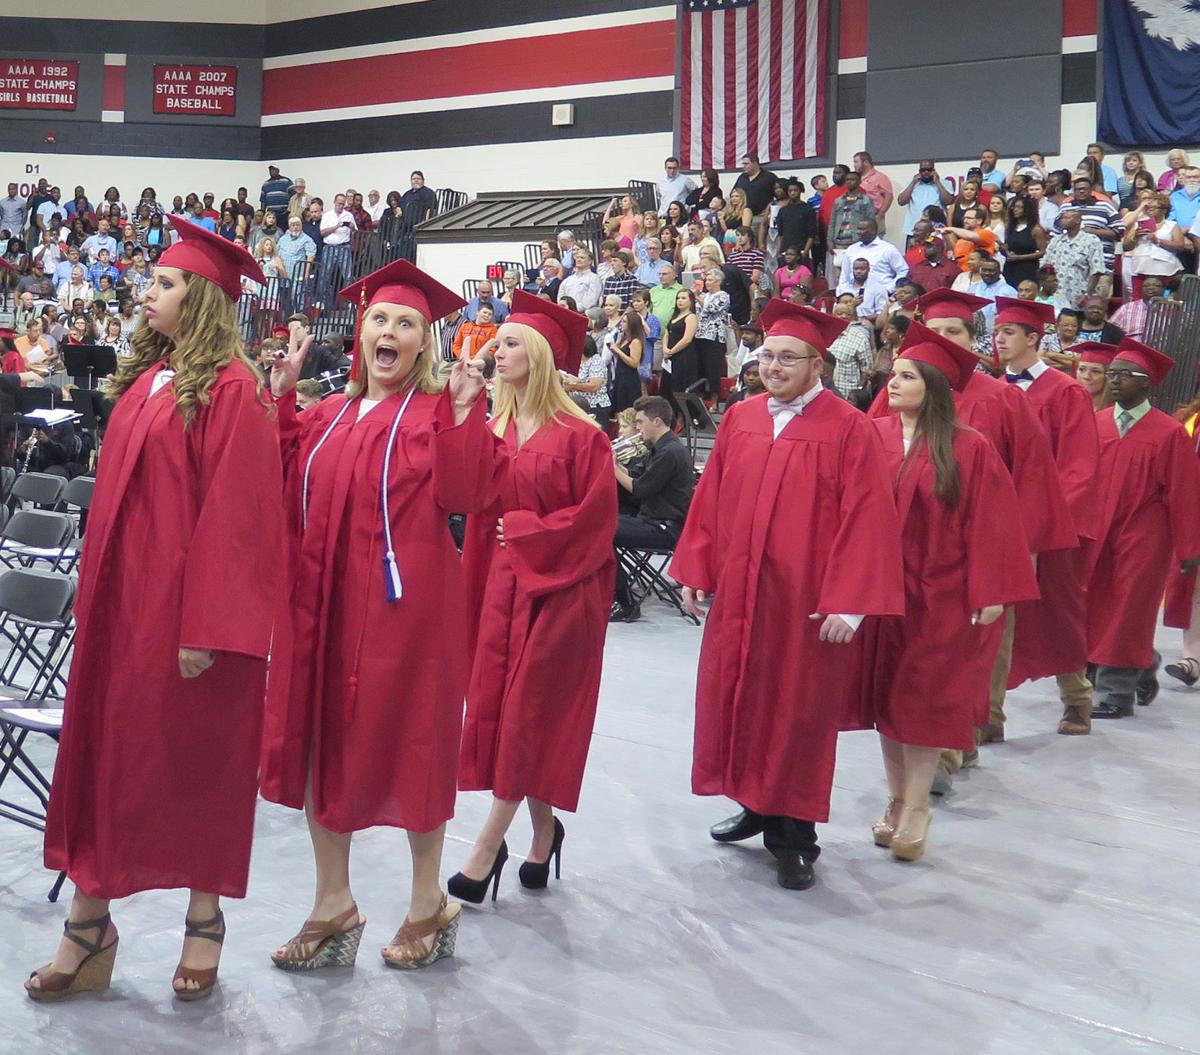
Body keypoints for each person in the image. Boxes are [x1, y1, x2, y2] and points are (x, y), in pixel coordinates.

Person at [30, 218, 284, 1002]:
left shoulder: (234, 388)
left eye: (166, 282)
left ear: (201, 298)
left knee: (193, 768)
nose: (149, 289)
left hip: (185, 623)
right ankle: (89, 922)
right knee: (109, 764)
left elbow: (239, 523)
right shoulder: (152, 380)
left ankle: (203, 921)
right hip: (121, 614)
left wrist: (207, 626)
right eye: (152, 280)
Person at [262, 258, 493, 973]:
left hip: (406, 620)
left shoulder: (433, 412)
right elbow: (277, 484)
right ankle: (334, 903)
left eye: (406, 324)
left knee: (410, 748)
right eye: (380, 321)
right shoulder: (327, 414)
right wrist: (281, 401)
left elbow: (466, 493)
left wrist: (462, 411)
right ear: (361, 335)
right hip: (322, 612)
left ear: (426, 342)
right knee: (319, 746)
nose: (389, 331)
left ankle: (429, 901)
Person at [671, 301, 905, 891]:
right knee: (743, 696)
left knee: (797, 712)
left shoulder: (849, 427)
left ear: (817, 363)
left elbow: (868, 517)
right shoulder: (743, 418)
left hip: (805, 602)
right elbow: (712, 501)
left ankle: (794, 835)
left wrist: (850, 604)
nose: (773, 367)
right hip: (745, 593)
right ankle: (756, 802)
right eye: (767, 355)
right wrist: (699, 569)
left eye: (787, 357)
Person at [439, 291, 615, 904]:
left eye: (511, 342)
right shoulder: (492, 429)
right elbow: (459, 493)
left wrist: (528, 531)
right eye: (497, 342)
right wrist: (462, 408)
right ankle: (544, 831)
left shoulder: (581, 436)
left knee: (527, 712)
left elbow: (595, 523)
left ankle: (486, 845)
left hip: (564, 591)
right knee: (513, 712)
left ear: (539, 356)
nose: (497, 350)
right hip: (500, 588)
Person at [852, 323, 1038, 860]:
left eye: (907, 376)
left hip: (941, 595)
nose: (893, 383)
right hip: (881, 593)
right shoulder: (873, 436)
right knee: (885, 699)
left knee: (923, 701)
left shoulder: (970, 449)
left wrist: (993, 590)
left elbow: (994, 526)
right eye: (893, 375)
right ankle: (893, 799)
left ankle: (917, 806)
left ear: (934, 386)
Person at [993, 297, 1099, 737]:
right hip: (997, 525)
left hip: (1047, 526)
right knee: (994, 621)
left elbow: (1079, 466)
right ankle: (987, 718)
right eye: (997, 332)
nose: (999, 339)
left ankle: (1077, 698)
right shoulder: (994, 390)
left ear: (1034, 338)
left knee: (1058, 617)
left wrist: (1042, 523)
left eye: (1009, 332)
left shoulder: (1064, 391)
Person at [1086, 340, 1200, 718]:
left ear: (1147, 383)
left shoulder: (1168, 433)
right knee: (1094, 606)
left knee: (1127, 610)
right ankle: (1142, 663)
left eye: (1125, 375)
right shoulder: (1096, 423)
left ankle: (1114, 695)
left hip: (1144, 536)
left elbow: (1184, 496)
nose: (1115, 382)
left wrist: (1188, 550)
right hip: (1096, 531)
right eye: (1112, 374)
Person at [610, 394, 695, 622]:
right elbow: (637, 476)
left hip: (664, 528)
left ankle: (624, 602)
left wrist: (612, 468)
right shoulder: (660, 447)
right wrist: (616, 463)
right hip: (652, 521)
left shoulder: (670, 452)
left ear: (656, 421)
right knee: (599, 525)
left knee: (601, 533)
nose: (638, 428)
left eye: (639, 422)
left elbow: (639, 490)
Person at [660, 287, 699, 405]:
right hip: (670, 356)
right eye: (678, 298)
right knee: (668, 385)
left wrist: (671, 351)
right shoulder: (674, 316)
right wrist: (665, 348)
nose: (680, 301)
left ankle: (682, 418)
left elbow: (687, 339)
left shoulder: (691, 317)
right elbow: (666, 333)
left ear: (690, 301)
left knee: (680, 385)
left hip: (684, 356)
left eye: (683, 298)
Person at [695, 268, 730, 401]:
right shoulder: (703, 295)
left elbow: (712, 309)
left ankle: (715, 401)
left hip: (714, 336)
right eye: (706, 280)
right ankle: (701, 397)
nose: (707, 283)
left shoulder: (723, 295)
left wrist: (697, 297)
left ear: (718, 281)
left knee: (713, 368)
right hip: (700, 335)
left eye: (710, 280)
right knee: (701, 367)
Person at [897, 160, 953, 238]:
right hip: (914, 229)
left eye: (929, 170)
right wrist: (913, 183)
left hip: (936, 230)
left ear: (934, 170)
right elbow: (901, 202)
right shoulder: (910, 183)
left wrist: (937, 182)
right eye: (923, 170)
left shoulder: (945, 183)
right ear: (919, 171)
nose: (926, 172)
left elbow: (948, 201)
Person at [1109, 275, 1164, 341]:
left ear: (1163, 289)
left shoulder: (1171, 308)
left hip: (1160, 349)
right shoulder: (1127, 308)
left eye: (1156, 286)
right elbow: (1110, 330)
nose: (1151, 288)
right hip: (1132, 347)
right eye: (1146, 286)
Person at [610, 308, 644, 412]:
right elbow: (615, 353)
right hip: (620, 375)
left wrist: (618, 351)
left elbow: (634, 363)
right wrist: (617, 344)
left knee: (627, 410)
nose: (621, 323)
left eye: (624, 322)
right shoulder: (624, 339)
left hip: (629, 379)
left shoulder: (635, 342)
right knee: (618, 409)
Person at [1074, 342, 1117, 411]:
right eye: (1081, 369)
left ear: (1109, 376)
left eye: (1095, 371)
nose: (1086, 376)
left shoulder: (1115, 412)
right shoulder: (1066, 405)